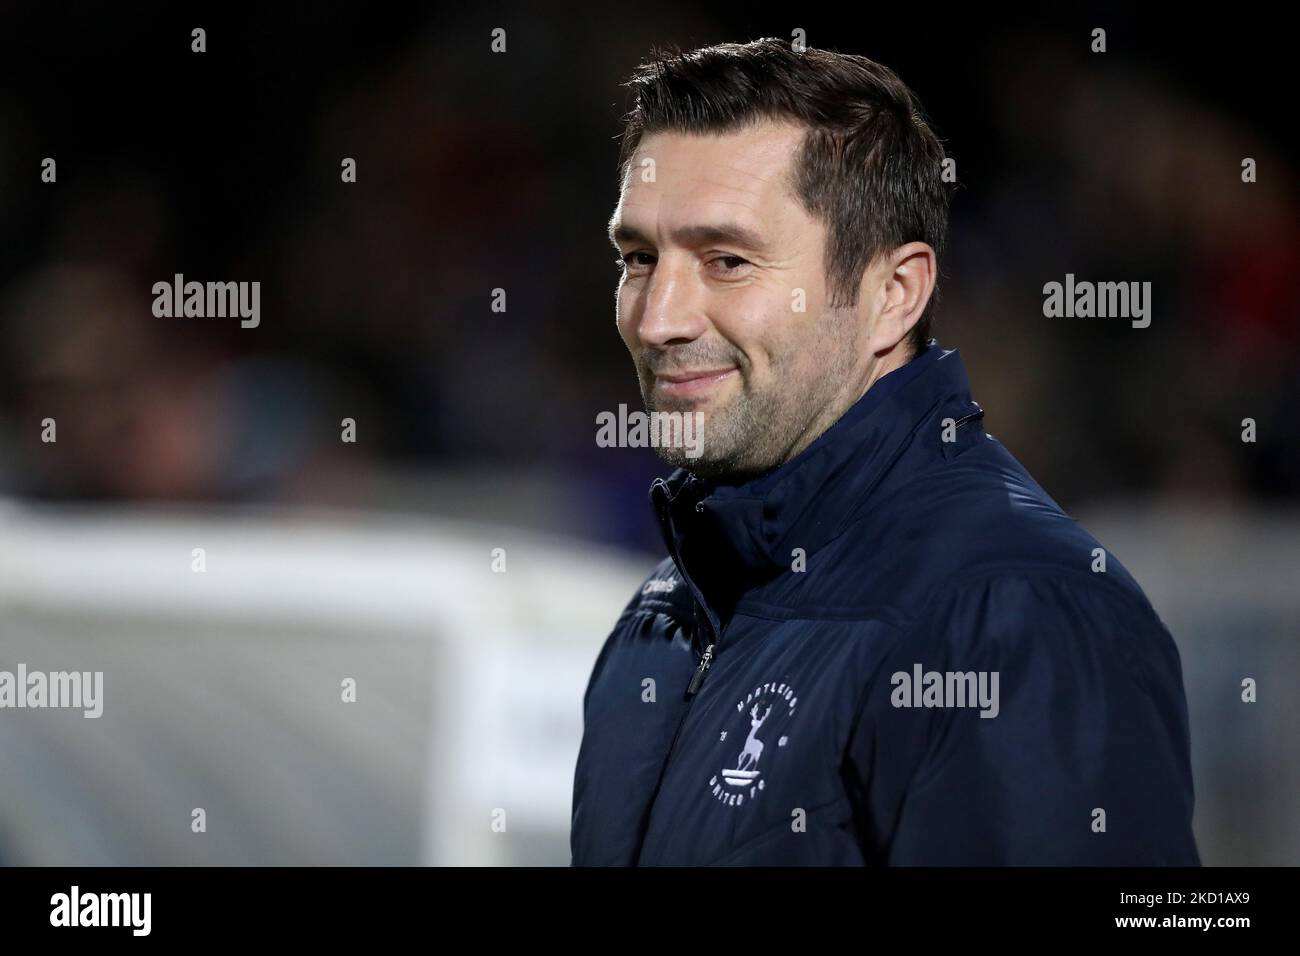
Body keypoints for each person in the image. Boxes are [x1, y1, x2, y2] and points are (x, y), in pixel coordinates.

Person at [570, 38, 1199, 865]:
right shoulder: (667, 614)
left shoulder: (1015, 616)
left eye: (727, 261)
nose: (658, 320)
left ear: (894, 294)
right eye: (640, 259)